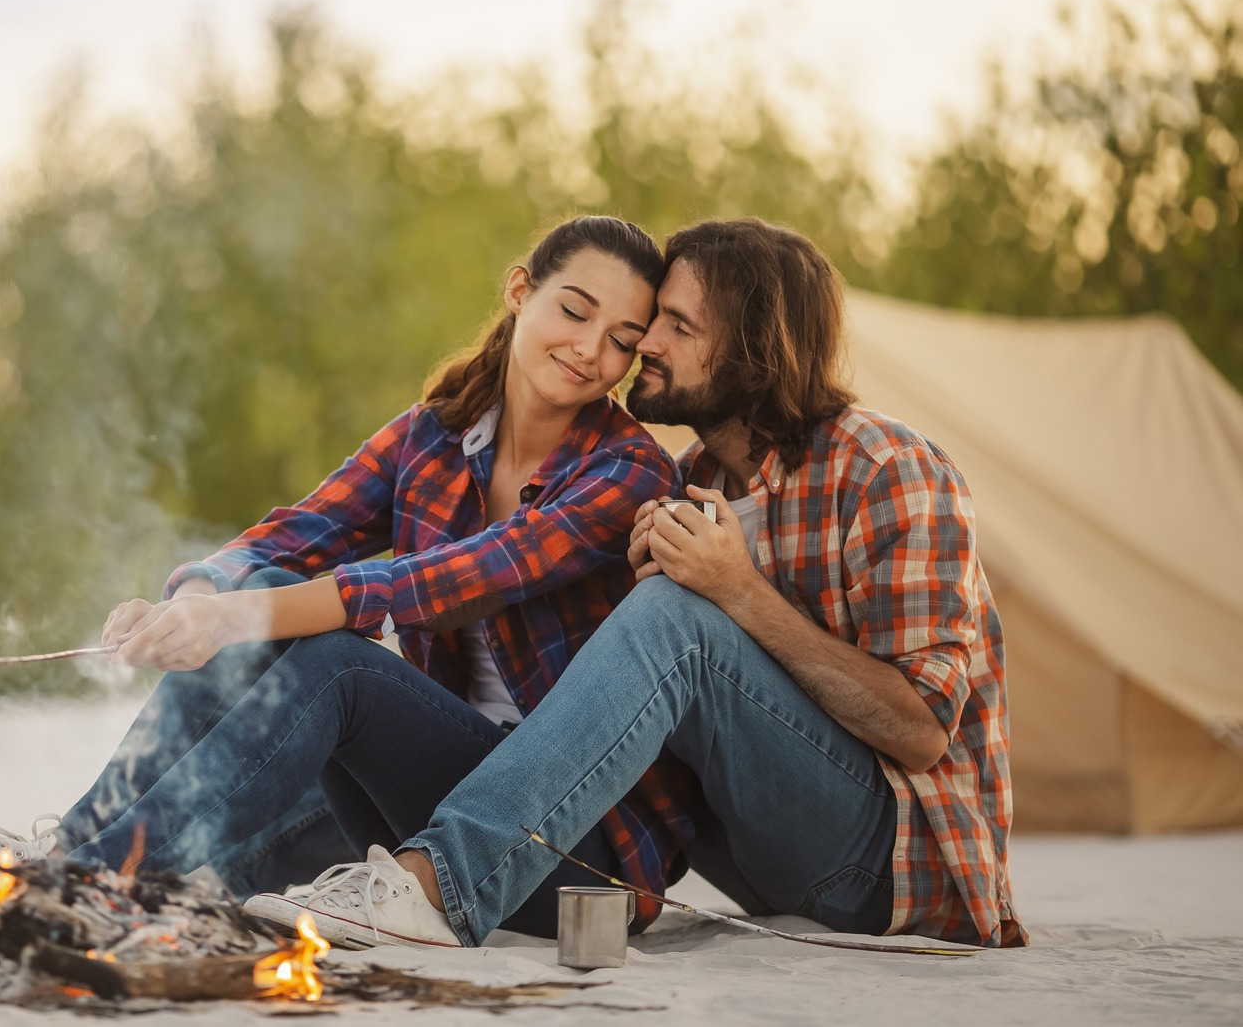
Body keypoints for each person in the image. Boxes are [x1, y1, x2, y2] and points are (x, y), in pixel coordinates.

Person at [0, 215, 699, 943]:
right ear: (521, 291)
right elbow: (298, 531)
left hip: (563, 845)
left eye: (624, 338)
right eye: (575, 309)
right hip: (426, 798)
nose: (594, 350)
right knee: (269, 589)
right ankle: (69, 851)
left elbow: (458, 579)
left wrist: (244, 617)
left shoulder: (627, 470)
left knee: (333, 661)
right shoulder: (435, 436)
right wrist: (201, 599)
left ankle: (88, 881)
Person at [257, 217, 1026, 950]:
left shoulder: (886, 468)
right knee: (347, 681)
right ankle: (197, 864)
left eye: (678, 327)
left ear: (756, 352)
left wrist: (740, 593)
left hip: (889, 864)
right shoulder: (685, 483)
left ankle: (441, 887)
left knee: (676, 614)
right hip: (752, 863)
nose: (642, 344)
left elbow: (922, 731)